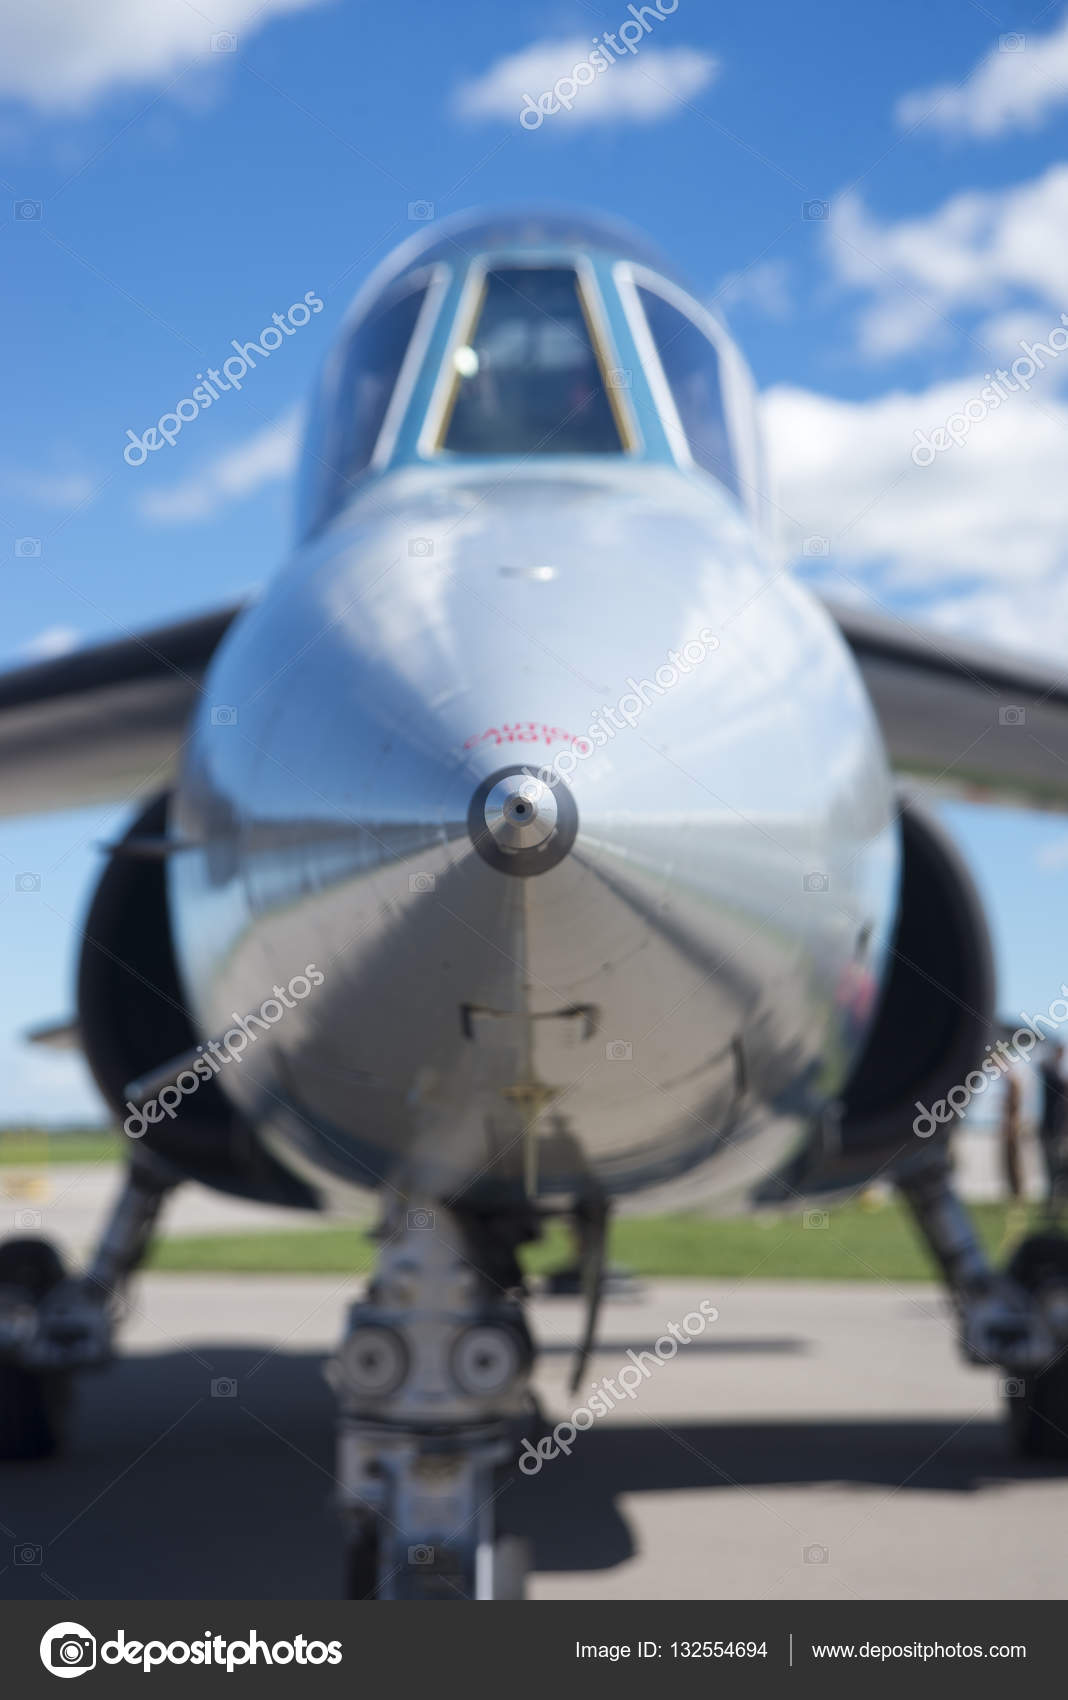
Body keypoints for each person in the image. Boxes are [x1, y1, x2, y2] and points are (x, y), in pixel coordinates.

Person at [1038, 1041, 1068, 1204]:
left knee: (1059, 1171)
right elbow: (1044, 1068)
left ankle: (1056, 1202)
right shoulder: (1050, 1074)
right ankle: (1053, 1202)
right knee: (1053, 1170)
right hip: (1051, 1131)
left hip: (1058, 1131)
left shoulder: (1055, 1074)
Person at [1000, 1066, 1023, 1200]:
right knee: (1010, 1164)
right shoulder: (1011, 1083)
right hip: (1010, 1129)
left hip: (1012, 1130)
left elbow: (1014, 1110)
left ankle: (1017, 1195)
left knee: (1014, 1164)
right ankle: (1015, 1194)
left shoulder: (1013, 1083)